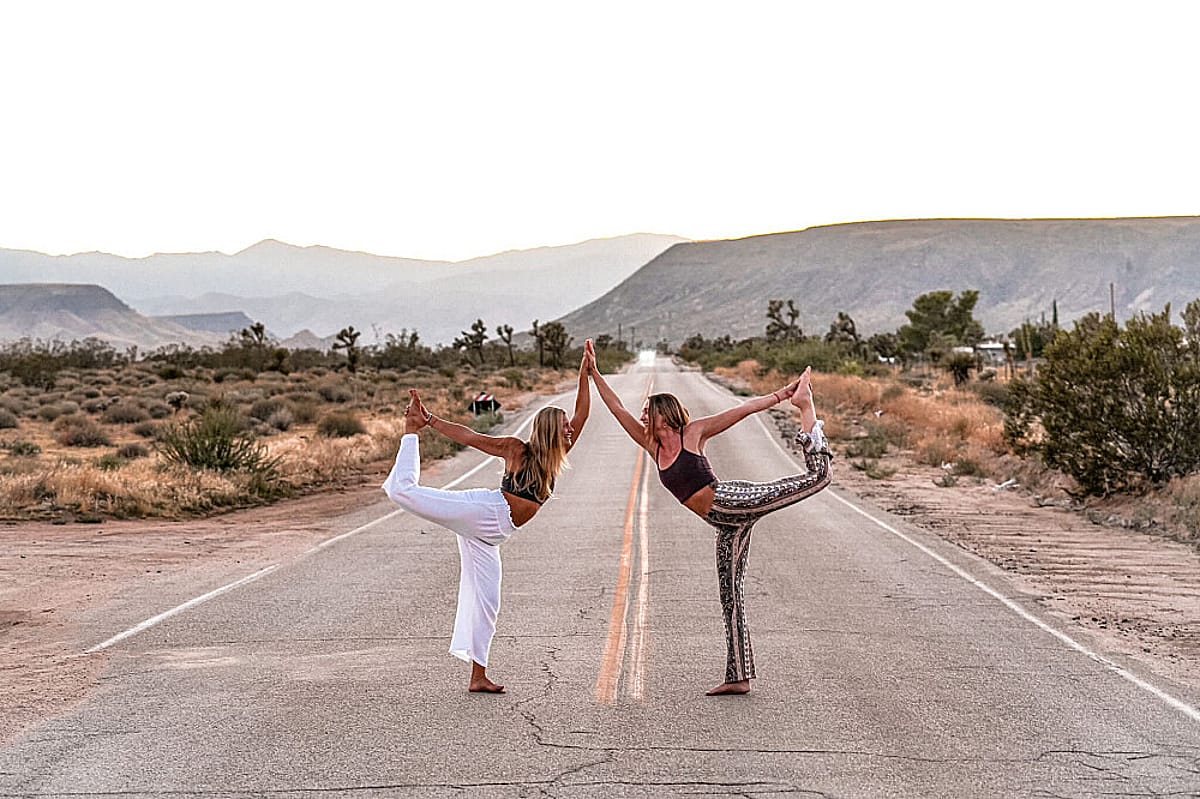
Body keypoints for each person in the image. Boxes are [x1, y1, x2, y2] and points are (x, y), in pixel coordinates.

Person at [589, 363, 832, 695]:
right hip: (724, 524)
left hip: (732, 500)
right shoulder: (654, 447)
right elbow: (616, 408)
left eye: (648, 411)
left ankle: (806, 406)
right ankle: (738, 678)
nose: (642, 415)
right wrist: (595, 373)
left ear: (664, 414)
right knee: (730, 595)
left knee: (816, 479)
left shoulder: (693, 433)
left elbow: (742, 410)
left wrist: (781, 395)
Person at [383, 340, 594, 693]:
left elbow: (583, 413)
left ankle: (478, 676)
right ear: (548, 428)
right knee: (404, 492)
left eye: (569, 428)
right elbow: (471, 436)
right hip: (483, 512)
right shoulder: (516, 450)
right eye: (564, 427)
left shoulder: (556, 454)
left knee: (487, 602)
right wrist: (429, 421)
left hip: (491, 535)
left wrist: (585, 373)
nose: (570, 430)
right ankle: (410, 433)